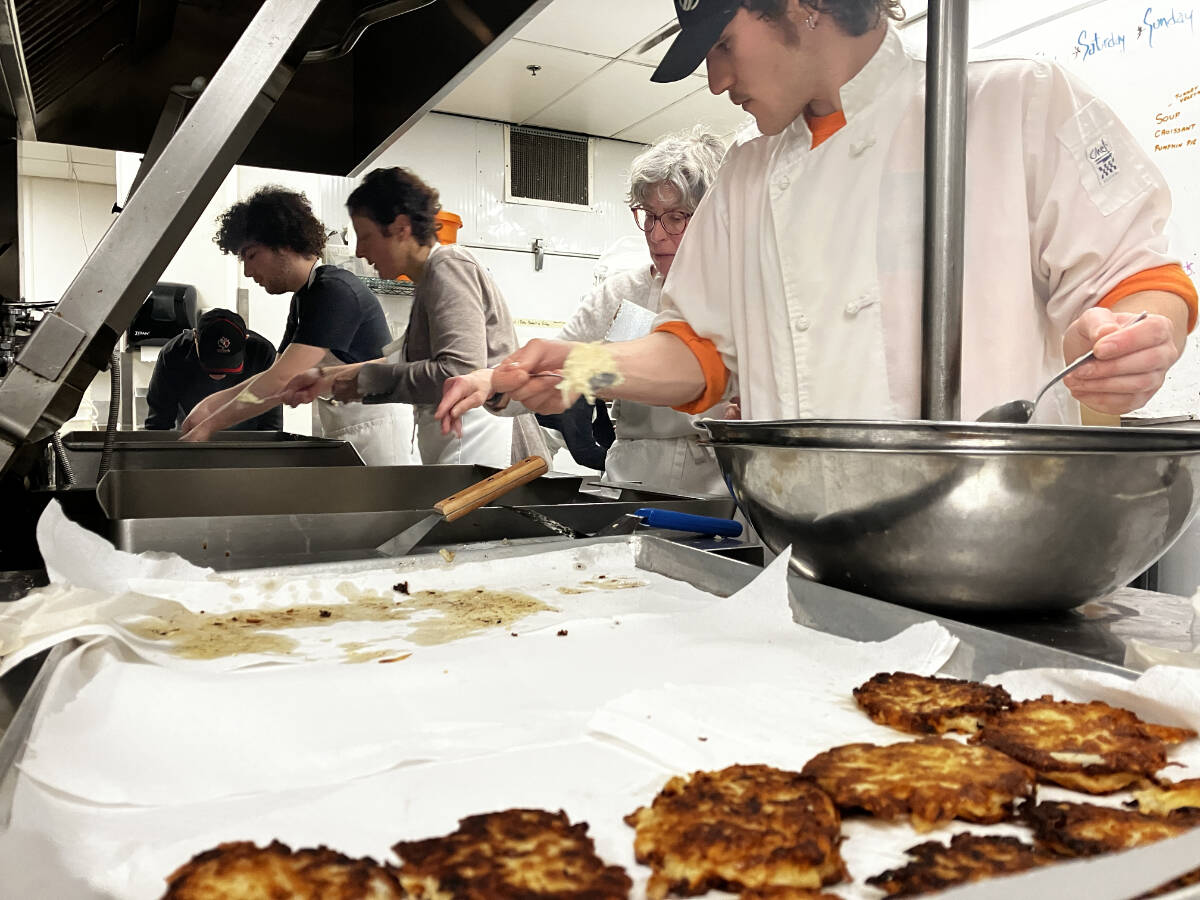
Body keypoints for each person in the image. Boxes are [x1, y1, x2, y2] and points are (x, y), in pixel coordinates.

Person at [460, 0, 1197, 429]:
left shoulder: (1016, 102)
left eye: (723, 45)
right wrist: (587, 366)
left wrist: (1133, 333)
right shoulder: (745, 177)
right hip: (811, 549)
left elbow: (1138, 277)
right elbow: (702, 353)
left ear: (805, 5)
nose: (716, 82)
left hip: (1000, 547)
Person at [436, 128, 731, 495]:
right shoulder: (623, 292)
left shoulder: (740, 295)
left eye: (676, 217)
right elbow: (550, 370)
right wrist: (494, 385)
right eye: (649, 215)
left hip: (718, 482)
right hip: (630, 476)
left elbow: (694, 371)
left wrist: (583, 368)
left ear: (716, 217)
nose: (656, 234)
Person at [280, 167, 547, 468]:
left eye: (365, 236)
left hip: (481, 441)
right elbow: (405, 363)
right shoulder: (429, 280)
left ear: (401, 229)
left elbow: (458, 371)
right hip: (458, 443)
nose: (359, 250)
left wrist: (365, 381)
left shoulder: (449, 266)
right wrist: (333, 378)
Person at [179, 187, 413, 465]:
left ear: (284, 243)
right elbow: (274, 374)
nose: (248, 272)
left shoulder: (334, 290)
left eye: (251, 256)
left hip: (378, 435)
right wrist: (209, 406)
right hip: (348, 429)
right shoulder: (305, 298)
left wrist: (209, 426)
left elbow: (281, 383)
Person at [145, 308, 281, 432]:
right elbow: (158, 423)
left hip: (248, 442)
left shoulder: (263, 353)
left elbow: (271, 424)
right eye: (213, 364)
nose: (219, 374)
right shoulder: (173, 354)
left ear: (245, 341)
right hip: (191, 438)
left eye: (228, 365)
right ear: (195, 338)